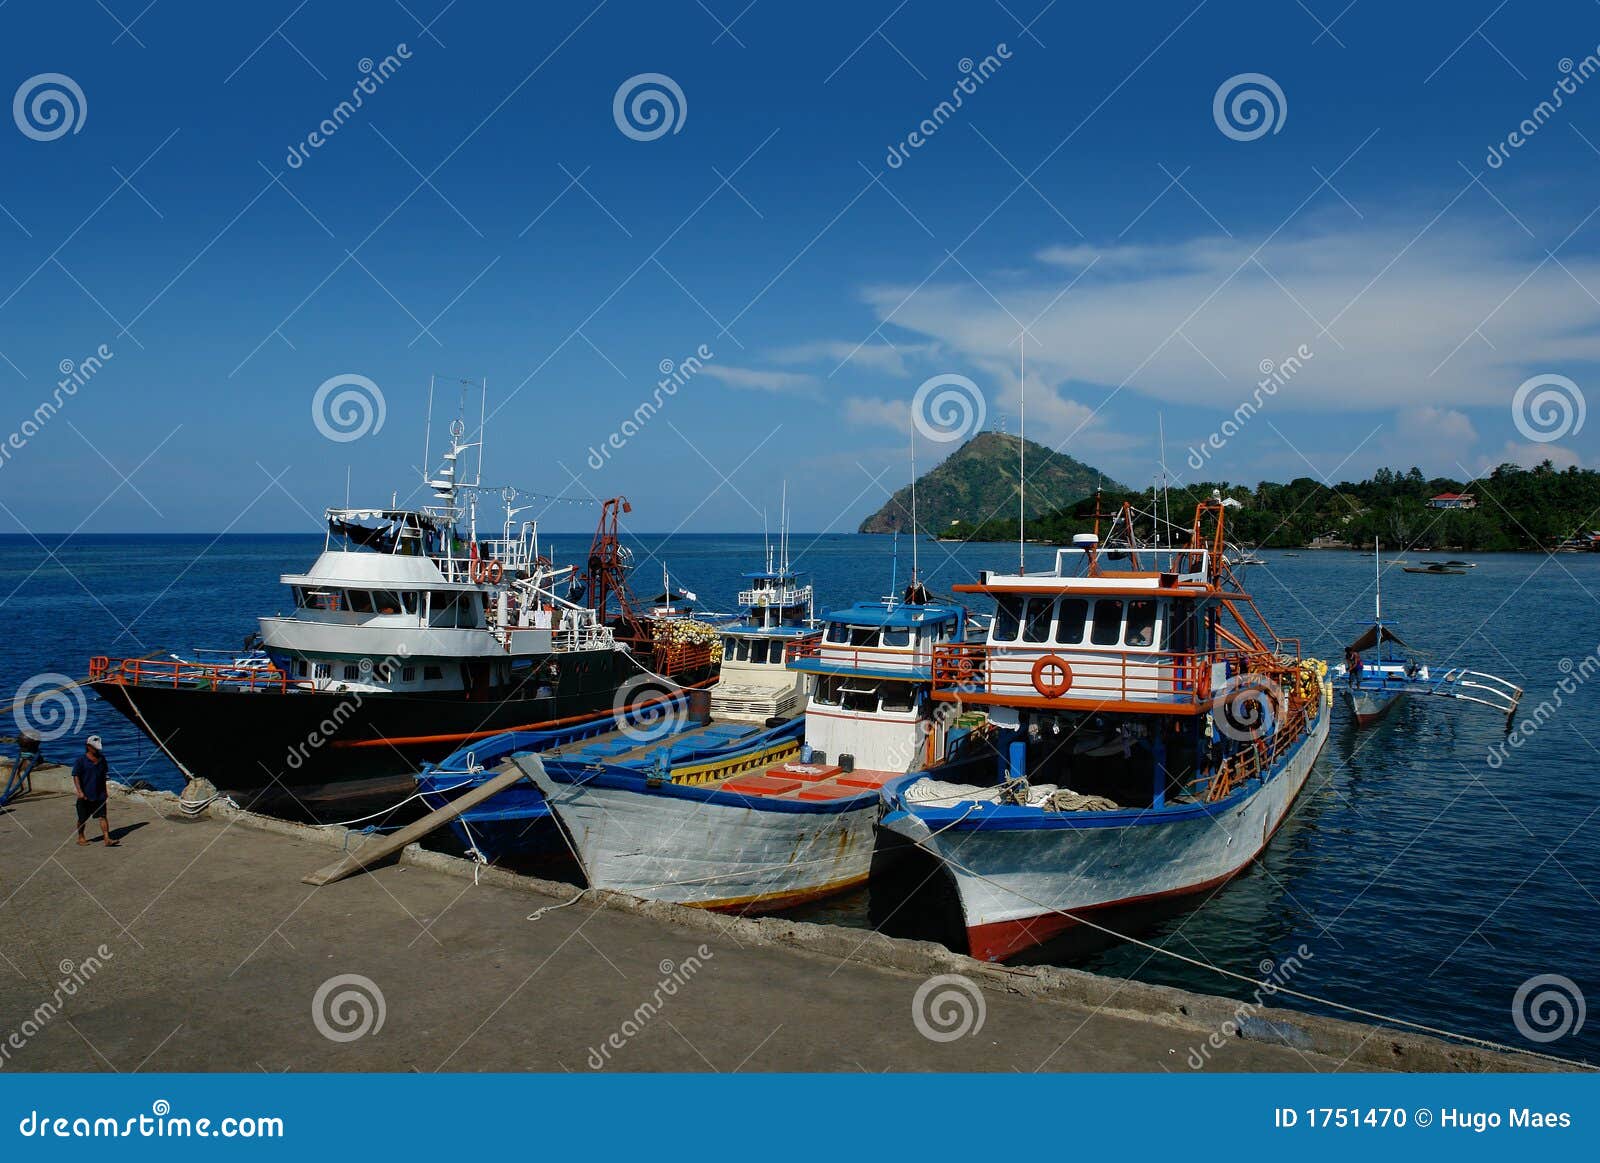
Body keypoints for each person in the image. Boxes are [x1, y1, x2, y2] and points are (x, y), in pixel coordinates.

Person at [72, 735, 117, 847]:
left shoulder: (102, 760)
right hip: (86, 794)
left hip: (99, 794)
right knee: (82, 818)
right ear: (88, 747)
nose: (96, 750)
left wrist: (105, 791)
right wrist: (80, 791)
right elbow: (76, 775)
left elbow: (103, 775)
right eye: (94, 748)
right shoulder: (81, 760)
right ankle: (81, 837)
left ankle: (107, 838)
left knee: (103, 816)